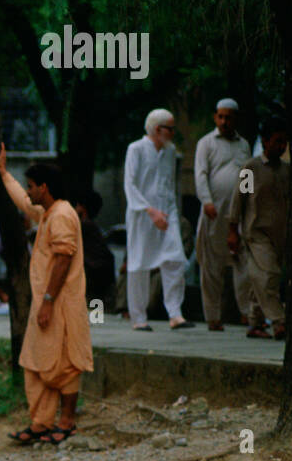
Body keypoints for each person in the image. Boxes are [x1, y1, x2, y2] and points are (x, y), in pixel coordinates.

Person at [0, 150, 92, 443]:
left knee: (66, 363)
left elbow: (63, 259)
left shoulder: (61, 215)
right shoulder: (49, 212)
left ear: (44, 187)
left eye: (33, 185)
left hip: (59, 302)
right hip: (47, 302)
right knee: (35, 361)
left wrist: (48, 301)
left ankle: (67, 422)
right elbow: (23, 201)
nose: (30, 191)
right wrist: (3, 173)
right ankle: (41, 423)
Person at [123, 108, 193, 331]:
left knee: (175, 259)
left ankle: (175, 314)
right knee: (139, 264)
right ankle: (139, 318)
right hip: (141, 215)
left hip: (167, 214)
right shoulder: (136, 149)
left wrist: (170, 214)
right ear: (156, 129)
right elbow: (130, 184)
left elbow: (169, 186)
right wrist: (150, 211)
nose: (173, 133)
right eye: (169, 129)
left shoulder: (171, 152)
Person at [194, 98, 254, 330]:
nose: (224, 121)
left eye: (228, 117)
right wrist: (207, 201)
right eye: (220, 116)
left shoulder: (244, 145)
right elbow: (200, 175)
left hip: (238, 214)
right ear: (215, 117)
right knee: (211, 266)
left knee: (244, 264)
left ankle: (248, 315)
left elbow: (248, 176)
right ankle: (213, 317)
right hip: (214, 214)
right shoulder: (205, 143)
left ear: (235, 119)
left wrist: (248, 203)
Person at [228, 116, 289, 340]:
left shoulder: (287, 171)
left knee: (260, 280)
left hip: (279, 235)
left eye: (285, 142)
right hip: (256, 233)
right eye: (277, 141)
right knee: (269, 275)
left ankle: (254, 323)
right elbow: (239, 200)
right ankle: (278, 320)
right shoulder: (251, 168)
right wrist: (233, 230)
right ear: (265, 141)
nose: (281, 146)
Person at [74, 189, 115, 308]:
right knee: (97, 309)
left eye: (77, 205)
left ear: (82, 208)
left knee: (93, 307)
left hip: (93, 272)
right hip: (102, 272)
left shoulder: (83, 226)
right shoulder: (94, 227)